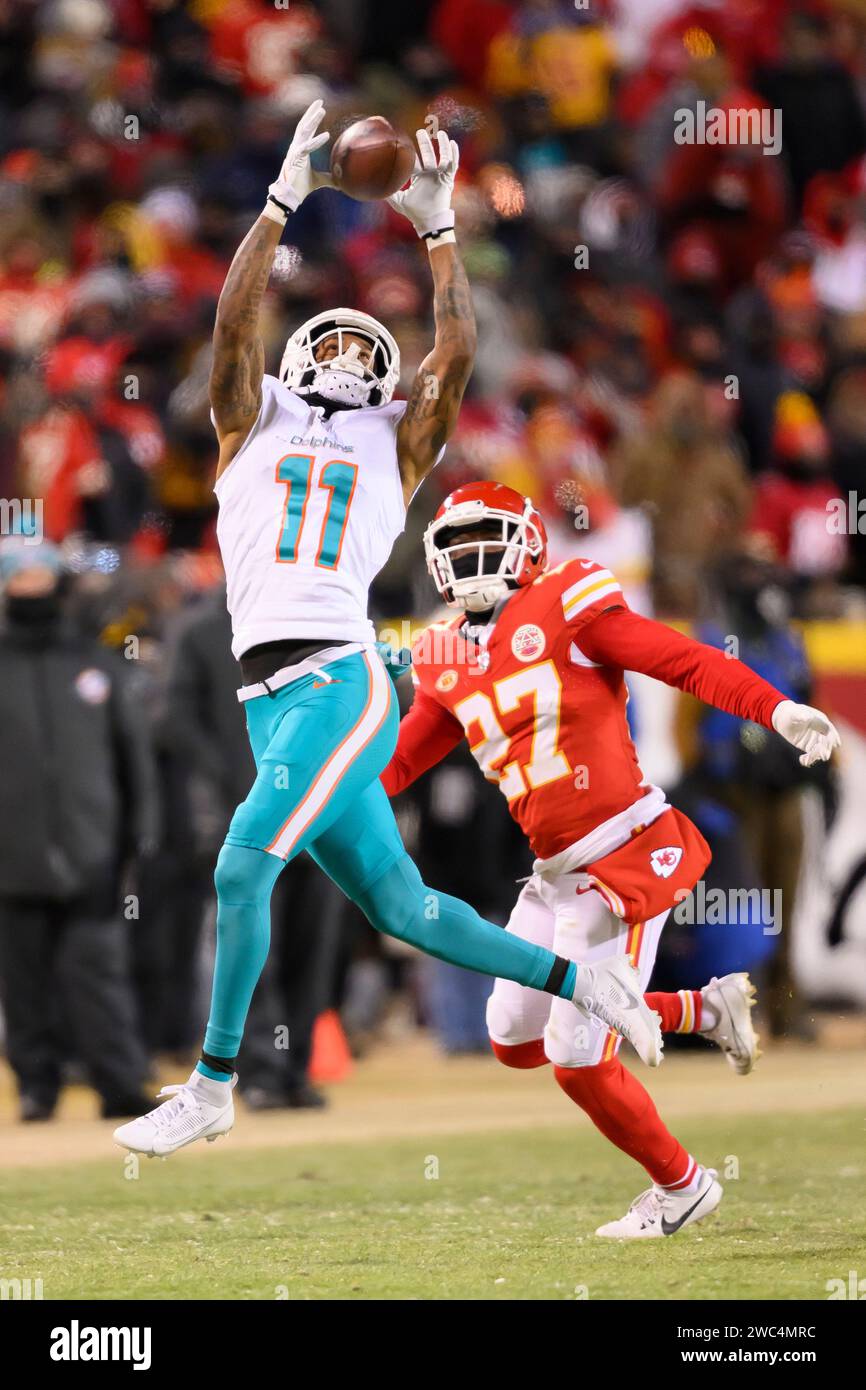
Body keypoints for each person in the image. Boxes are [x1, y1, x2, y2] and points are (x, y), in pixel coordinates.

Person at [114, 103, 659, 1158]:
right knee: (402, 909)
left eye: (372, 348)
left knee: (239, 866)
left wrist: (439, 226)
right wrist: (278, 204)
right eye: (341, 338)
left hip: (338, 677)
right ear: (305, 354)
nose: (355, 356)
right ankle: (581, 978)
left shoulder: (391, 444)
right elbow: (231, 327)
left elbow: (451, 354)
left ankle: (214, 1079)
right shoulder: (248, 417)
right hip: (269, 699)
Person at [380, 481, 840, 1237]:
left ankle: (683, 1187)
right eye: (456, 548)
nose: (471, 561)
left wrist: (776, 708)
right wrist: (317, 800)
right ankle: (702, 1009)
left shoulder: (567, 600)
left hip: (621, 854)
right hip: (555, 874)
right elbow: (399, 765)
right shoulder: (439, 650)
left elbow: (680, 660)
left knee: (574, 1055)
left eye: (485, 541)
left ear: (528, 543)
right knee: (512, 1037)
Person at [0, 538, 155, 1121]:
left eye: (42, 574)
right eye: (20, 576)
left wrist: (141, 835)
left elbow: (132, 759)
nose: (32, 585)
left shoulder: (94, 664)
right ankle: (37, 1088)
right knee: (24, 983)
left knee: (100, 977)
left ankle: (118, 1083)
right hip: (13, 857)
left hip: (93, 854)